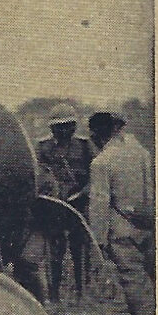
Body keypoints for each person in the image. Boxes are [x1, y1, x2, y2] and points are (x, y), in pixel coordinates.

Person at [87, 108, 155, 315]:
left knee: (132, 276)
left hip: (121, 227)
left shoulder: (101, 162)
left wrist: (98, 240)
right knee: (154, 271)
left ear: (97, 135)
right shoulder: (141, 153)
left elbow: (99, 203)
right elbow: (149, 189)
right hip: (147, 221)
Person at [35, 102, 95, 302]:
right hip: (55, 208)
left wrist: (83, 193)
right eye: (58, 126)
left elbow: (97, 176)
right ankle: (53, 295)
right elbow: (38, 175)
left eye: (68, 126)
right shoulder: (42, 147)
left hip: (78, 206)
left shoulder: (85, 146)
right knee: (54, 251)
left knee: (80, 250)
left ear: (74, 126)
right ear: (51, 128)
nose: (63, 130)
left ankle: (82, 293)